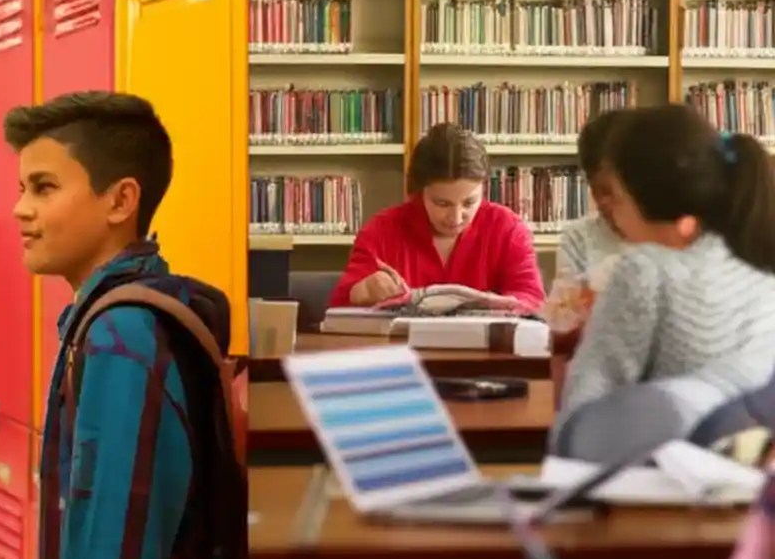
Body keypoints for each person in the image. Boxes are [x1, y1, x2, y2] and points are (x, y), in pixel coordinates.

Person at [4, 91, 247, 559]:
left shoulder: (121, 340)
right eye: (22, 189)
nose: (19, 209)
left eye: (43, 188)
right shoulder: (118, 319)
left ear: (120, 201)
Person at [556, 104, 775, 430]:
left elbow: (581, 421)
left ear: (639, 196)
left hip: (657, 470)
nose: (607, 208)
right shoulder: (757, 261)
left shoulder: (644, 271)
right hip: (748, 471)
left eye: (614, 194)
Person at [326, 122, 546, 310]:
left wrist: (499, 304)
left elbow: (533, 301)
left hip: (486, 357)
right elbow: (337, 310)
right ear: (419, 191)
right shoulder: (381, 231)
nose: (456, 217)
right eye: (442, 203)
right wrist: (362, 291)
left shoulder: (508, 229)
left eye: (469, 202)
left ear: (484, 188)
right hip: (404, 354)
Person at [555, 108, 633, 287]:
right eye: (596, 190)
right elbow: (564, 309)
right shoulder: (577, 238)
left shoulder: (675, 234)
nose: (603, 202)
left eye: (611, 190)